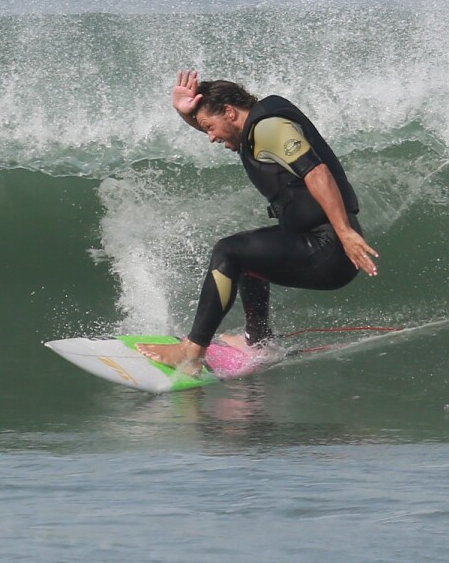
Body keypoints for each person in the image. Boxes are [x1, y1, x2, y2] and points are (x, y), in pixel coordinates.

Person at [136, 69, 378, 375]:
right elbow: (223, 127)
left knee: (228, 252)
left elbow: (317, 172)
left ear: (229, 111)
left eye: (209, 127)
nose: (210, 137)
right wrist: (184, 114)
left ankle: (192, 351)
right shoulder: (253, 126)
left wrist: (344, 233)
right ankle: (258, 341)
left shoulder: (270, 128)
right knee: (250, 255)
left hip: (329, 247)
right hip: (315, 239)